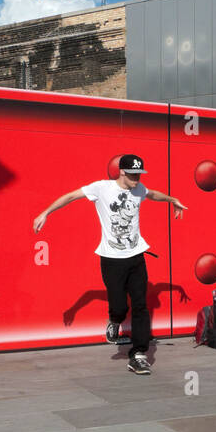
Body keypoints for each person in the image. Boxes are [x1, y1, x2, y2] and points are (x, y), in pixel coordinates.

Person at [32, 153, 187, 374]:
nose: (137, 179)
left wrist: (172, 200)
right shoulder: (101, 188)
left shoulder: (139, 189)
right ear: (122, 171)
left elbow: (153, 194)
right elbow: (71, 196)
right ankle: (115, 320)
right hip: (111, 260)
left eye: (140, 174)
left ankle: (139, 355)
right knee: (119, 305)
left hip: (136, 257)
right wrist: (45, 212)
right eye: (133, 174)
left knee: (141, 305)